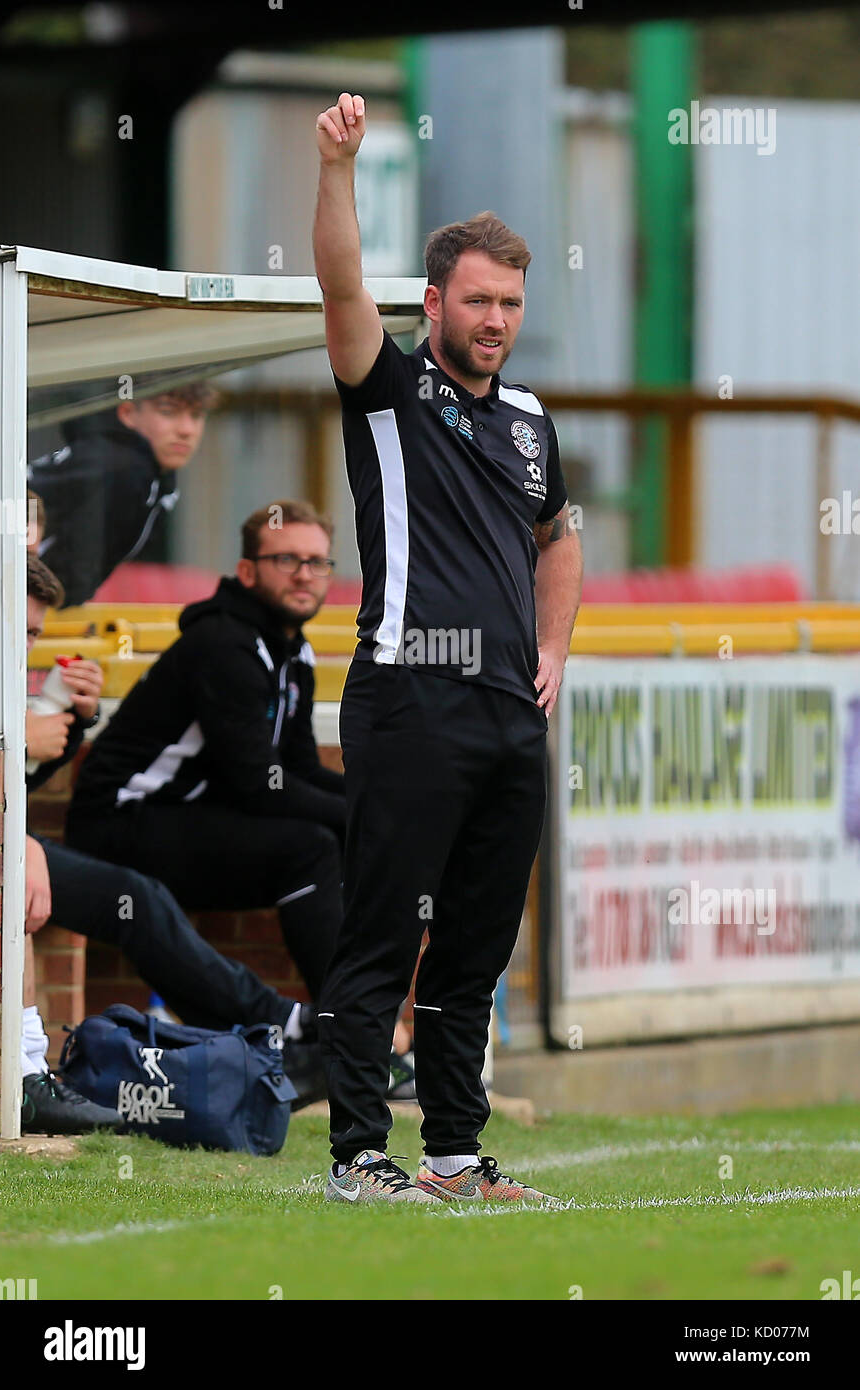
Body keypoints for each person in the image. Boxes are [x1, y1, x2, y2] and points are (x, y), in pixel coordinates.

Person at [312, 93, 583, 1205]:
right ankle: (354, 1158)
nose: (496, 319)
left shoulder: (528, 418)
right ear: (432, 301)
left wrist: (552, 650)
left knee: (475, 944)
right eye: (477, 299)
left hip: (506, 712)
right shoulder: (387, 387)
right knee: (384, 931)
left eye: (511, 302)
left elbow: (559, 534)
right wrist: (336, 171)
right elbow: (336, 283)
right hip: (408, 693)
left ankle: (455, 1155)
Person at [22, 553, 324, 1135]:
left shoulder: (293, 654)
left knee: (141, 898)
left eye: (34, 633)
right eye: (23, 629)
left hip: (19, 842)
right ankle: (283, 1026)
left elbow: (18, 780)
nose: (26, 645)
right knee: (140, 898)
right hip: (57, 836)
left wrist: (63, 724)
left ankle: (264, 1047)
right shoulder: (221, 643)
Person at [28, 382, 216, 607]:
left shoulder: (144, 472)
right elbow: (69, 565)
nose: (187, 430)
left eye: (196, 415)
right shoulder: (126, 470)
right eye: (168, 412)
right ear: (127, 413)